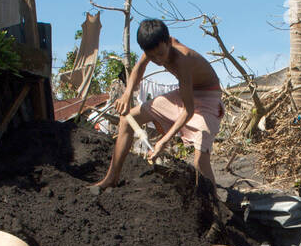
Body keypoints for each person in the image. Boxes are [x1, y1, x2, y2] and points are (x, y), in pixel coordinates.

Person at [91, 19, 225, 193]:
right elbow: (138, 69)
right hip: (186, 93)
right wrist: (126, 94)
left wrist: (164, 141)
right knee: (127, 118)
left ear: (168, 42)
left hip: (207, 97)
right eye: (152, 56)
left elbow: (189, 111)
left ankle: (214, 207)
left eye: (161, 54)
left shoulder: (182, 58)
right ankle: (111, 178)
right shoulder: (153, 46)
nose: (158, 60)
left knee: (200, 159)